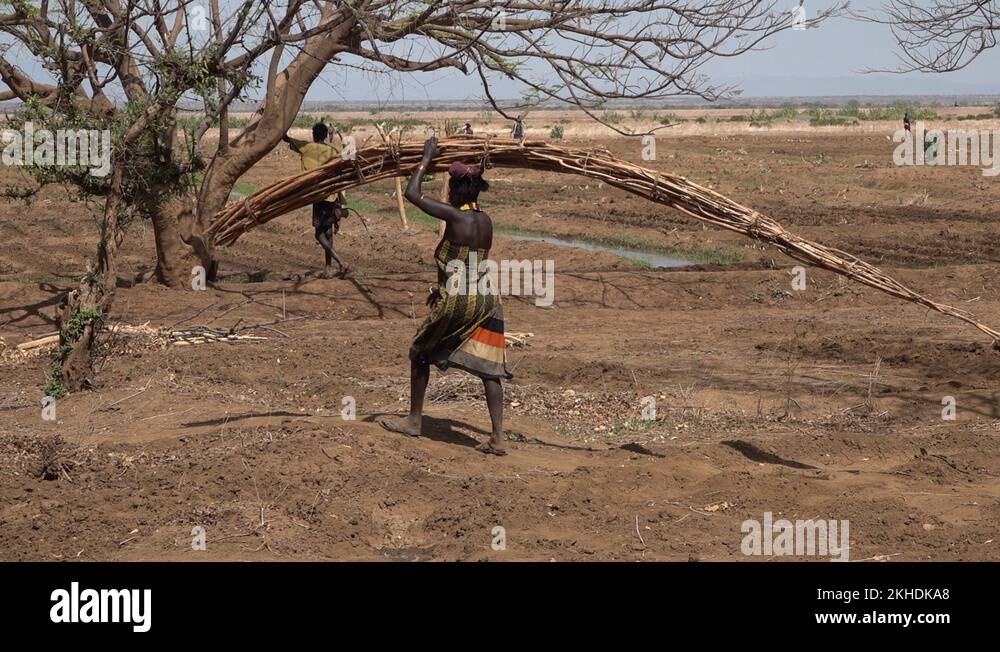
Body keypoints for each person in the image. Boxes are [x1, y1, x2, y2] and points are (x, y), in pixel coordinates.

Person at [378, 137, 512, 455]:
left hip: (461, 300)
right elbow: (465, 263)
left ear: (454, 190)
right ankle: (497, 437)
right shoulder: (485, 221)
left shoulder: (457, 217)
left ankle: (413, 421)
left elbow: (412, 193)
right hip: (488, 299)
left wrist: (425, 158)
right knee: (489, 369)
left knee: (419, 352)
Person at [282, 122, 349, 278]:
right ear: (326, 135)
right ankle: (328, 269)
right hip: (332, 195)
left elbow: (286, 139)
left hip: (316, 195)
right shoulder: (333, 151)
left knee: (318, 233)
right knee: (328, 232)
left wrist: (282, 124)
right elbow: (343, 169)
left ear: (313, 134)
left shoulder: (306, 147)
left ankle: (340, 262)